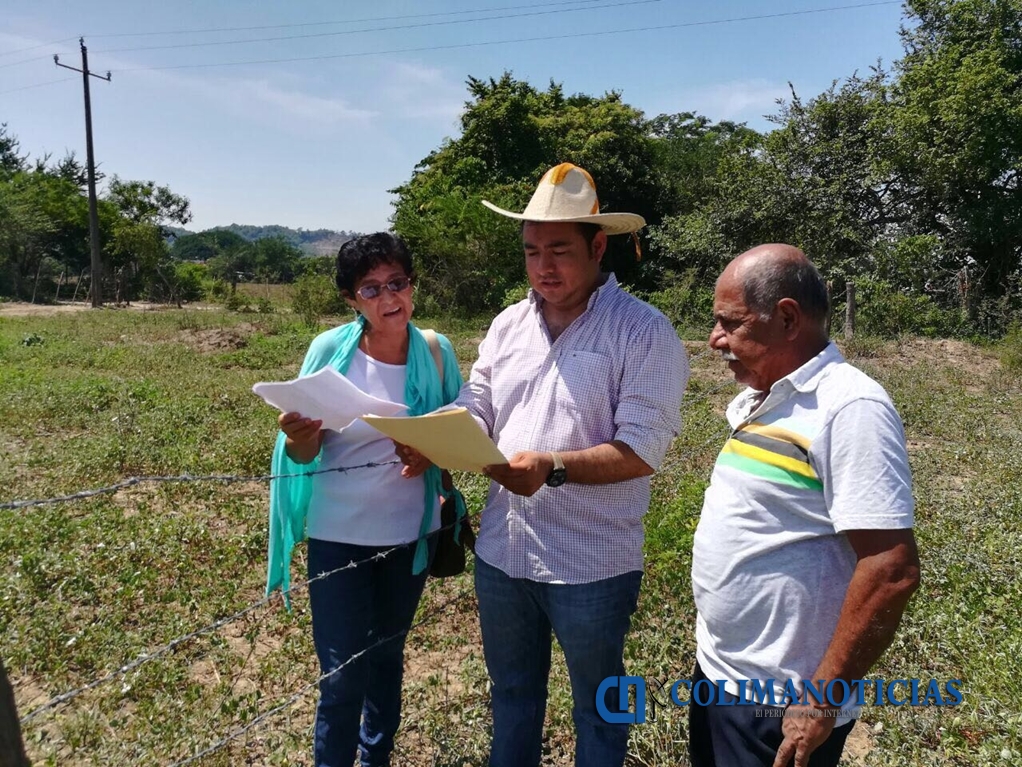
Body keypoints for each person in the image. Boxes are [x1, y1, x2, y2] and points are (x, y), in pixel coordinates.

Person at [399, 163, 688, 766]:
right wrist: (442, 437)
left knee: (601, 705)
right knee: (511, 697)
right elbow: (479, 398)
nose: (543, 267)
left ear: (598, 246)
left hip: (593, 562)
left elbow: (642, 450)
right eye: (532, 251)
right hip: (504, 551)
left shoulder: (643, 331)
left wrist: (552, 466)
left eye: (559, 249)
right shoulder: (509, 323)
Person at [690, 244, 921, 767]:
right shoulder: (768, 396)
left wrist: (820, 699)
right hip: (723, 677)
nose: (715, 339)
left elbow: (891, 568)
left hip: (779, 702)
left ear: (788, 318)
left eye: (731, 323)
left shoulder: (849, 408)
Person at [264, 232, 463, 767]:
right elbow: (304, 453)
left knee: (387, 661)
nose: (387, 297)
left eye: (397, 282)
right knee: (342, 673)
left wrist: (428, 454)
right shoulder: (331, 352)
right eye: (370, 288)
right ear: (352, 300)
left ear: (412, 286)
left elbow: (458, 437)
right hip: (336, 540)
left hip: (408, 537)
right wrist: (299, 432)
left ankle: (375, 757)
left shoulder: (438, 353)